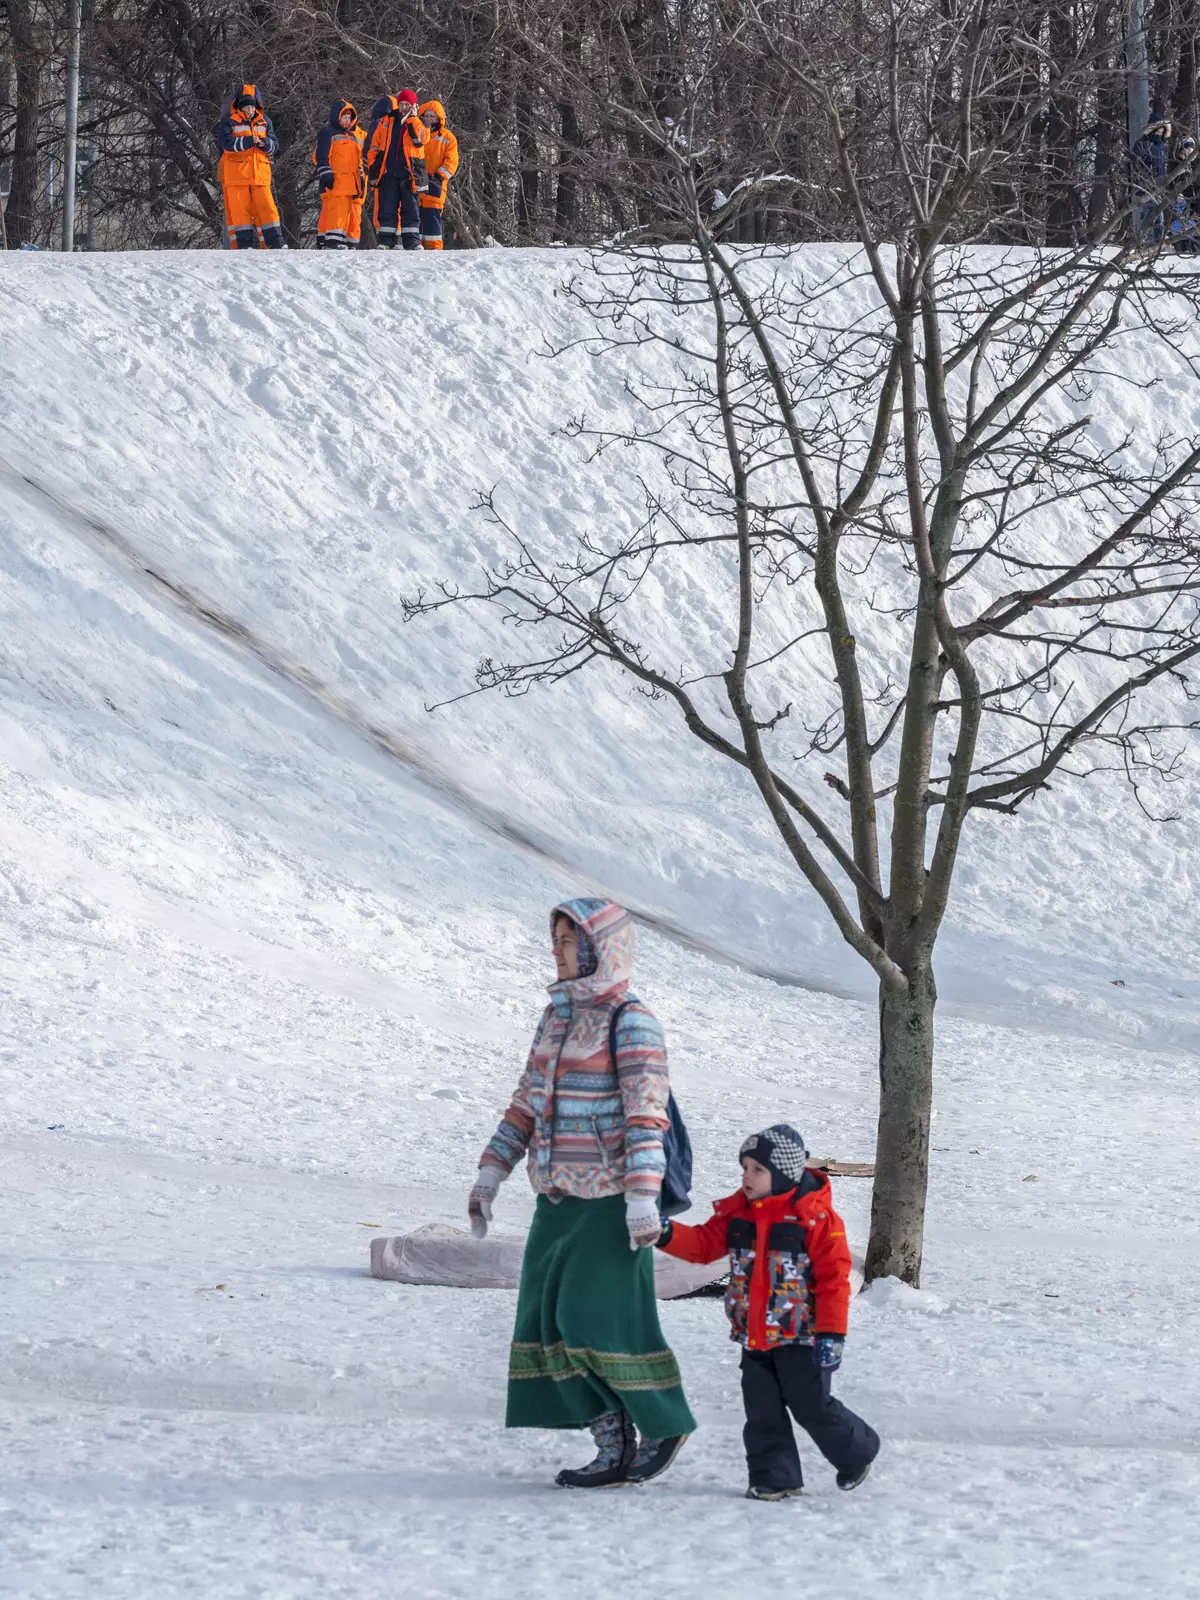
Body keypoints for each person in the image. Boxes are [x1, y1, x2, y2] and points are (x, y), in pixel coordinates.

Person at [468, 898, 696, 1489]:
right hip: (557, 1198)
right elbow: (526, 1103)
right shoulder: (555, 1017)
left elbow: (647, 1116)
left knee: (594, 1319)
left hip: (610, 1202)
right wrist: (492, 1172)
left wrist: (642, 1198)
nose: (557, 950)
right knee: (547, 1323)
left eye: (569, 940)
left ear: (599, 948)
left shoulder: (632, 1019)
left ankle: (662, 1422)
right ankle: (612, 1445)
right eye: (558, 939)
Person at [656, 1122, 879, 1501]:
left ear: (783, 1174)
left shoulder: (816, 1220)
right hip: (755, 1334)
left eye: (757, 1170)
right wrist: (664, 1232)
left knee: (811, 1406)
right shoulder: (739, 1213)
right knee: (762, 1410)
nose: (747, 1176)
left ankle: (857, 1450)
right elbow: (704, 1245)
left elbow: (833, 1282)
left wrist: (832, 1335)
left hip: (804, 1337)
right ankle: (775, 1478)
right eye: (744, 1168)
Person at [217, 84, 284, 250]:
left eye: (253, 106)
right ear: (240, 107)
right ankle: (244, 244)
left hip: (260, 175)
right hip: (237, 175)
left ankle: (276, 242)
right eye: (248, 106)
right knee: (241, 213)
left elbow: (275, 144)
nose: (251, 109)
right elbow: (227, 145)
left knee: (268, 208)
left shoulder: (265, 121)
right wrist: (248, 141)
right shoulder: (229, 122)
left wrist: (265, 144)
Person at [364, 89, 427, 250]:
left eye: (407, 105)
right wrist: (374, 164)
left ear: (413, 106)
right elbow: (374, 145)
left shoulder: (420, 123)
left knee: (411, 210)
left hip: (409, 174)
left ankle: (412, 242)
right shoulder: (387, 120)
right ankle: (386, 241)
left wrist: (412, 119)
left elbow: (420, 140)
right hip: (388, 172)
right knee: (387, 209)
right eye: (401, 104)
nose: (403, 107)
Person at [312, 99, 367, 250]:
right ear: (337, 116)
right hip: (337, 180)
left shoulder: (351, 136)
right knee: (336, 211)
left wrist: (360, 181)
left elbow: (358, 163)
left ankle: (338, 241)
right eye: (344, 117)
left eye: (349, 117)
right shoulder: (328, 132)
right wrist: (326, 175)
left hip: (350, 182)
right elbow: (322, 156)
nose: (347, 120)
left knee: (345, 213)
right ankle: (332, 242)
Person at [416, 100, 458, 250]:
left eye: (432, 116)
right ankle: (415, 248)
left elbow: (451, 161)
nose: (429, 119)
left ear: (439, 118)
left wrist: (439, 176)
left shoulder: (448, 137)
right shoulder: (418, 132)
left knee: (433, 219)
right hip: (416, 182)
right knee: (415, 218)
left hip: (436, 183)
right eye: (426, 115)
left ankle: (434, 251)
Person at [1132, 116, 1172, 244]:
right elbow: (1135, 162)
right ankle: (1146, 239)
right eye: (1157, 131)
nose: (1159, 134)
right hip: (1146, 184)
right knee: (1154, 212)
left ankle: (1149, 239)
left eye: (1161, 132)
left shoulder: (1160, 145)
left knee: (1153, 211)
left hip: (1159, 185)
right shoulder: (1142, 143)